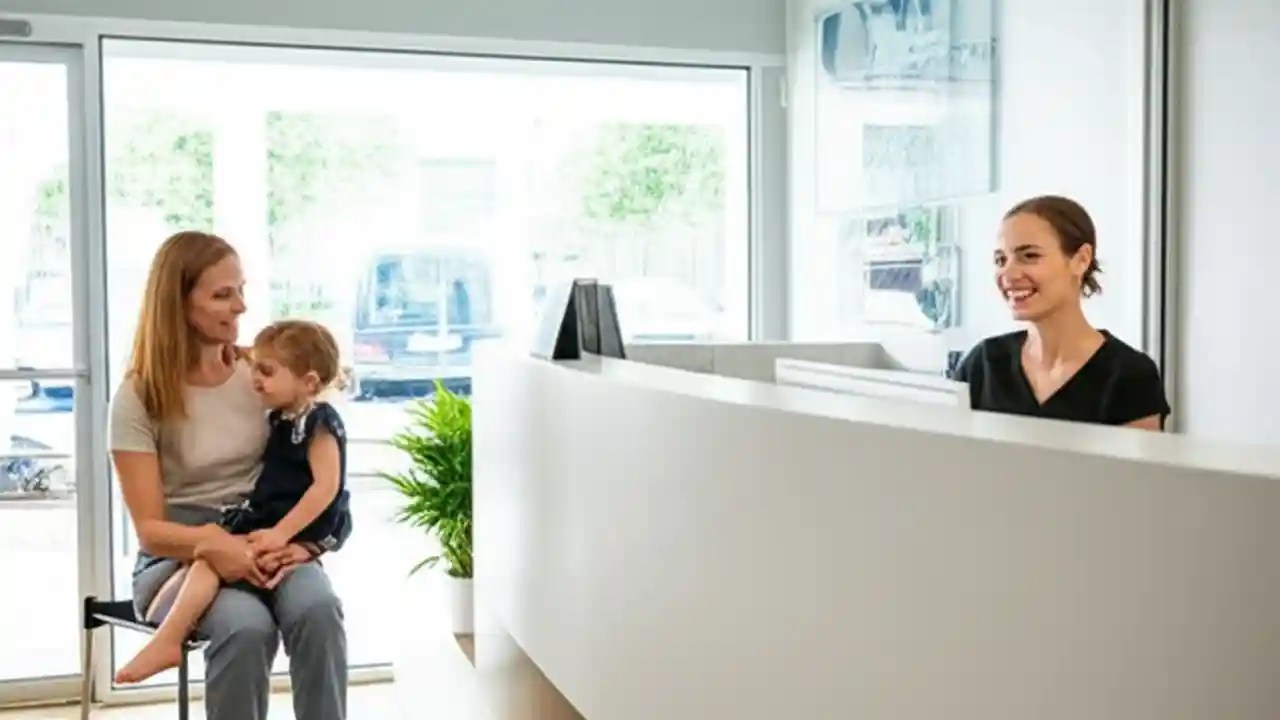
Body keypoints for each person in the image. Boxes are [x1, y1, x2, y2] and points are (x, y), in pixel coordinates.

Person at [109, 231, 347, 720]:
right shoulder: (138, 397)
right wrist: (219, 546)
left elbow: (321, 475)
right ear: (178, 301)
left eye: (241, 290)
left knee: (318, 609)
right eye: (223, 294)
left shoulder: (260, 377)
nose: (241, 307)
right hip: (178, 563)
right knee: (245, 628)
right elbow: (151, 530)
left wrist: (304, 545)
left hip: (267, 542)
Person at [953, 195, 1171, 429]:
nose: (1009, 274)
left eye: (1029, 256)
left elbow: (1135, 467)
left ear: (1081, 260)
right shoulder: (982, 365)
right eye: (1000, 260)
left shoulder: (1129, 376)